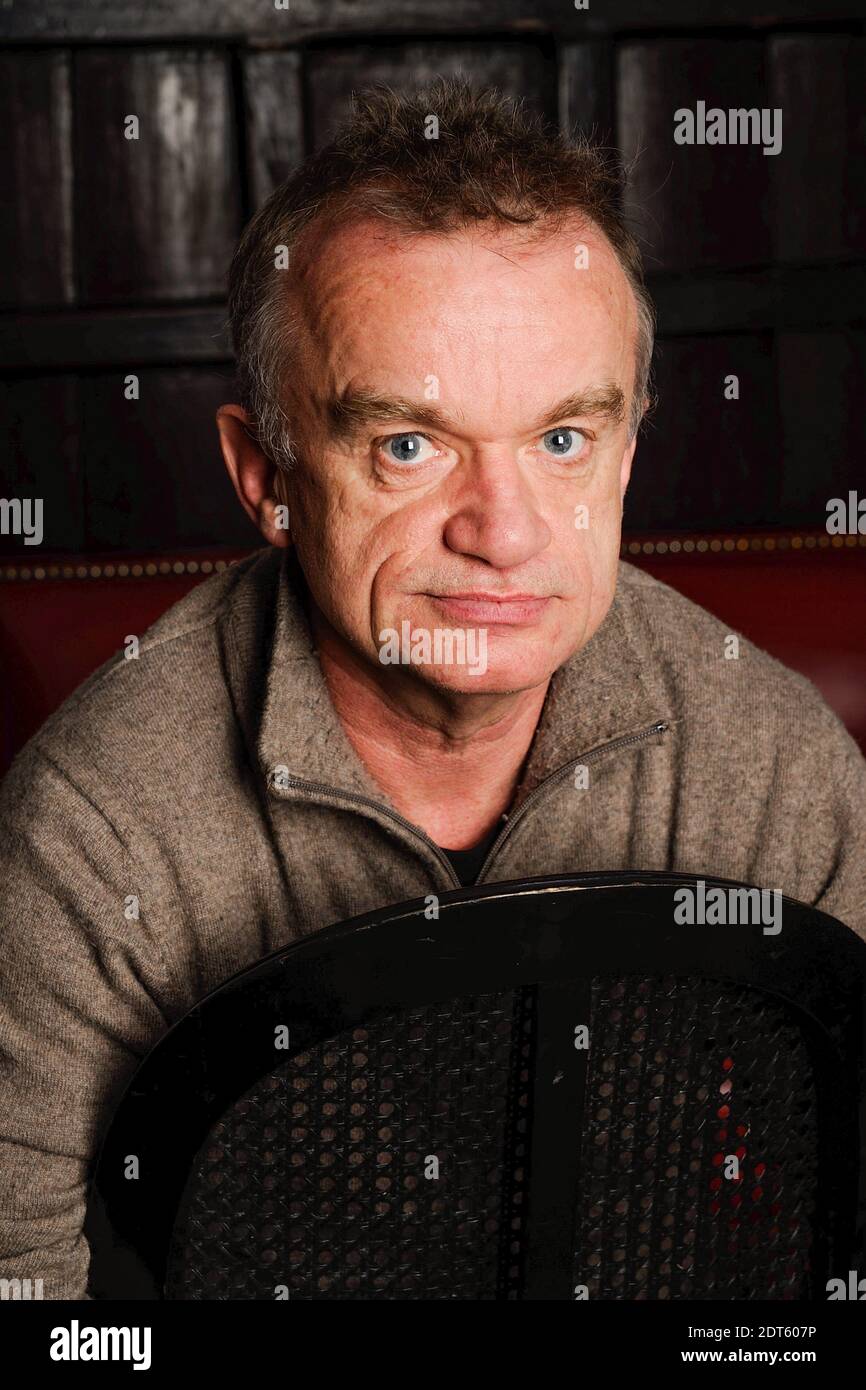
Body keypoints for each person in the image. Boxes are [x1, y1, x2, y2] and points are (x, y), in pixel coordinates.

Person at [1, 78, 864, 1300]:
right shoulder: (93, 835)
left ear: (627, 453)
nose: (503, 534)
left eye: (561, 441)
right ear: (266, 475)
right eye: (406, 445)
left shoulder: (777, 768)